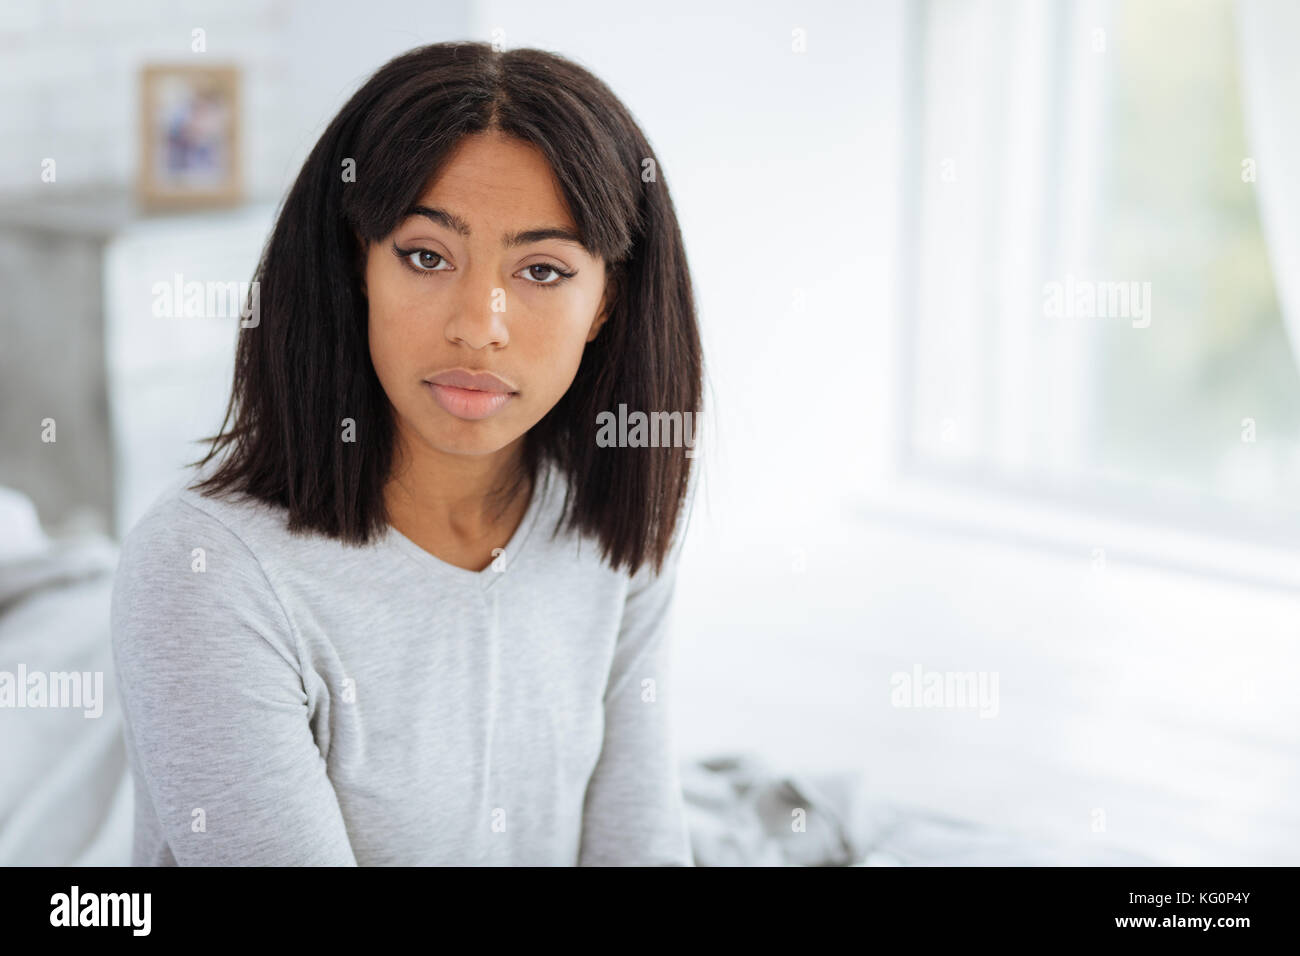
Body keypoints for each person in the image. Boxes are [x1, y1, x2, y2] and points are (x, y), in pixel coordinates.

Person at [110, 40, 703, 866]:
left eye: (542, 269)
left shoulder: (611, 524)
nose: (478, 324)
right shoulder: (204, 567)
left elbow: (638, 843)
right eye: (426, 256)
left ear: (608, 302)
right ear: (358, 264)